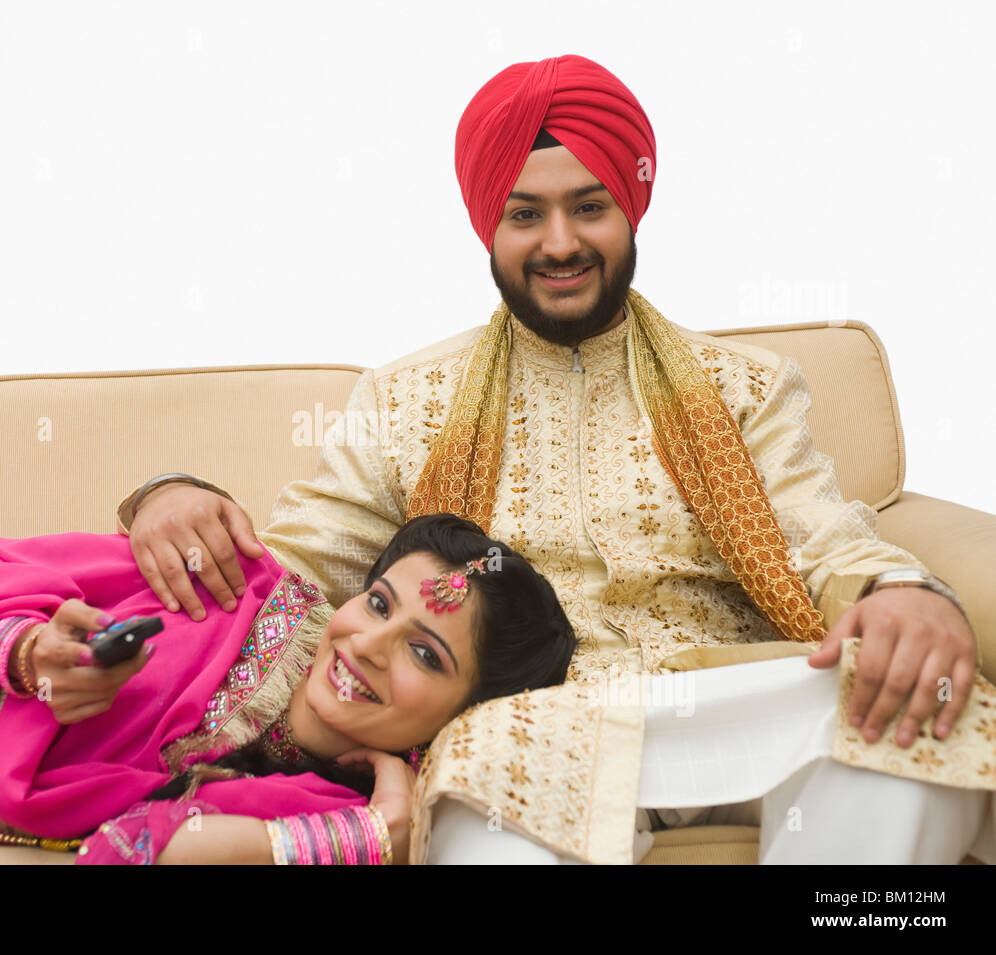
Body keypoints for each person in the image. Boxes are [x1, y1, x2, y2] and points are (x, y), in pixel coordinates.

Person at [114, 55, 996, 864]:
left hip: (736, 705)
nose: (562, 242)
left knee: (915, 721)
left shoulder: (746, 386)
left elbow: (827, 538)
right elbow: (288, 572)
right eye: (525, 214)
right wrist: (166, 494)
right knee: (473, 803)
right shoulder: (406, 400)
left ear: (630, 208)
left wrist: (901, 592)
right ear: (487, 227)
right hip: (530, 739)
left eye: (589, 205)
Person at [0, 513, 574, 865]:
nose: (369, 644)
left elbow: (130, 849)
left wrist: (366, 834)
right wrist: (32, 648)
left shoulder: (308, 798)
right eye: (377, 602)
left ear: (463, 714)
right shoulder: (234, 582)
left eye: (425, 653)